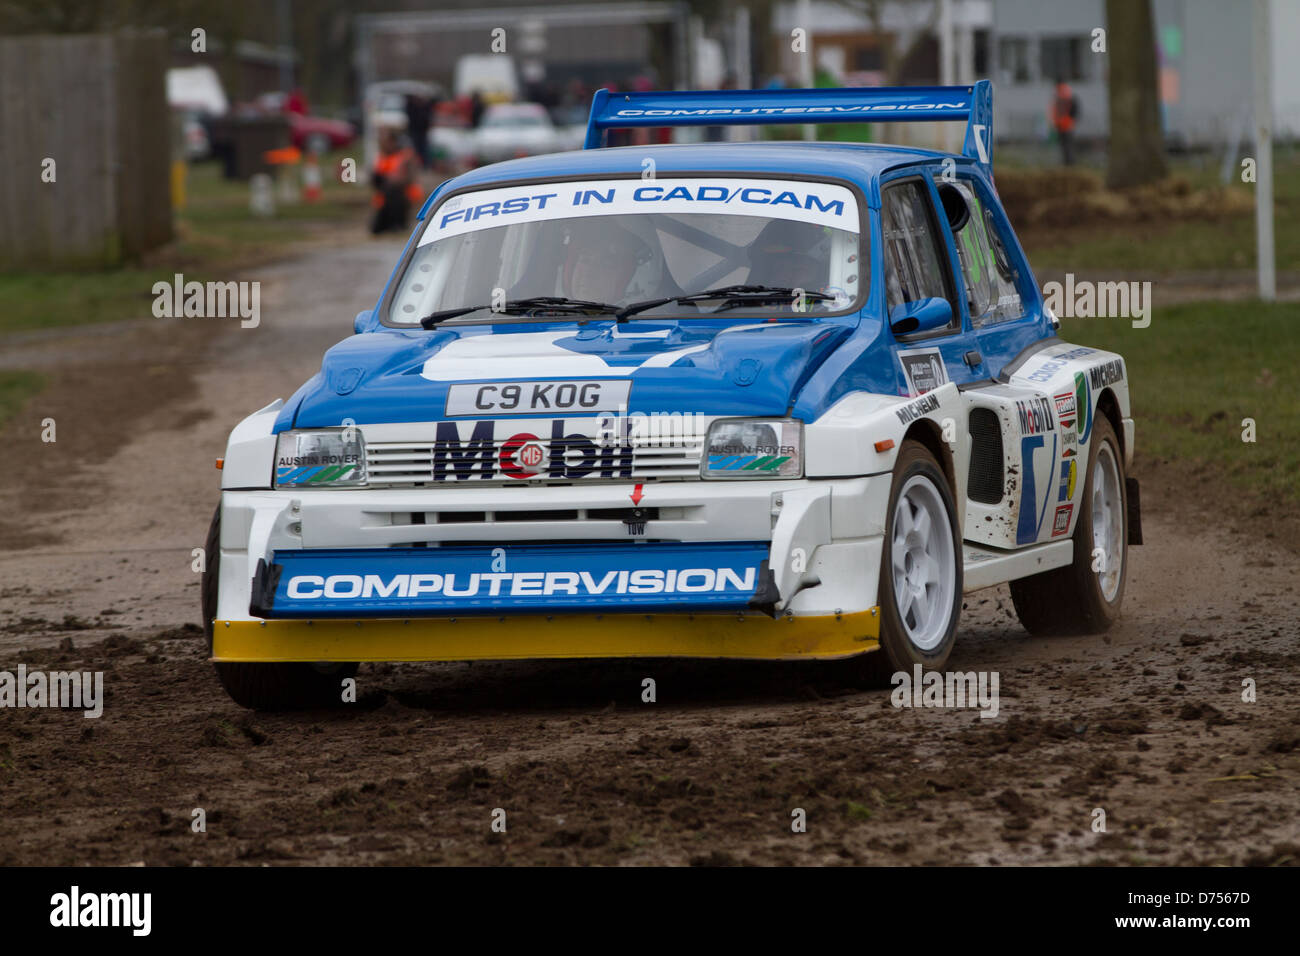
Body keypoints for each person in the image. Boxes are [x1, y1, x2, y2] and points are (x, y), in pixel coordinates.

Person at [369, 126, 421, 235]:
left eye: (386, 141)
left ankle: (399, 224)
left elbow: (410, 177)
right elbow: (375, 180)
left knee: (393, 192)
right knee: (376, 229)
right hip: (385, 198)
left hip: (403, 195)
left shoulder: (405, 156)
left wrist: (395, 180)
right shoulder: (382, 157)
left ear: (393, 142)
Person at [1051, 81, 1080, 166]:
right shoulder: (1067, 95)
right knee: (1067, 146)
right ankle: (1069, 163)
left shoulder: (1062, 96)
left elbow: (1058, 111)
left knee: (1066, 146)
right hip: (1065, 125)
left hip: (1065, 125)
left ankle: (1069, 164)